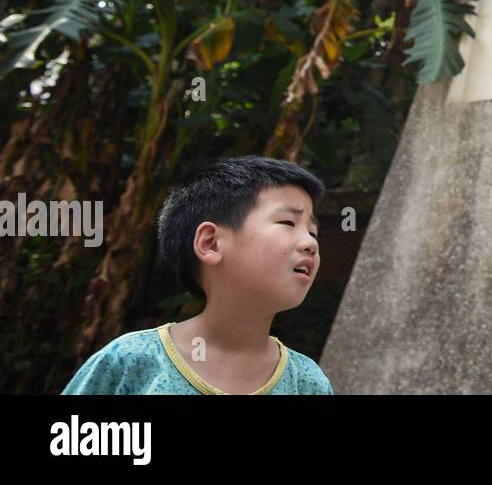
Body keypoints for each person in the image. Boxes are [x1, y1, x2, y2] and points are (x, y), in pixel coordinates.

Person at [62, 155, 333, 394]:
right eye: (288, 222)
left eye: (313, 231)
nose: (310, 243)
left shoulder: (307, 383)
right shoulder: (132, 361)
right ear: (210, 243)